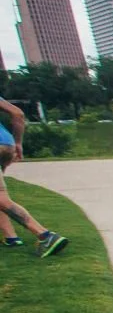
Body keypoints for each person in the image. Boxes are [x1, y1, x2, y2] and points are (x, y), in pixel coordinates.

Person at [0, 97, 68, 257]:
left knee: (1, 199)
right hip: (6, 145)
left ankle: (45, 235)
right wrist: (18, 143)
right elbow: (18, 114)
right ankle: (11, 237)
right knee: (1, 197)